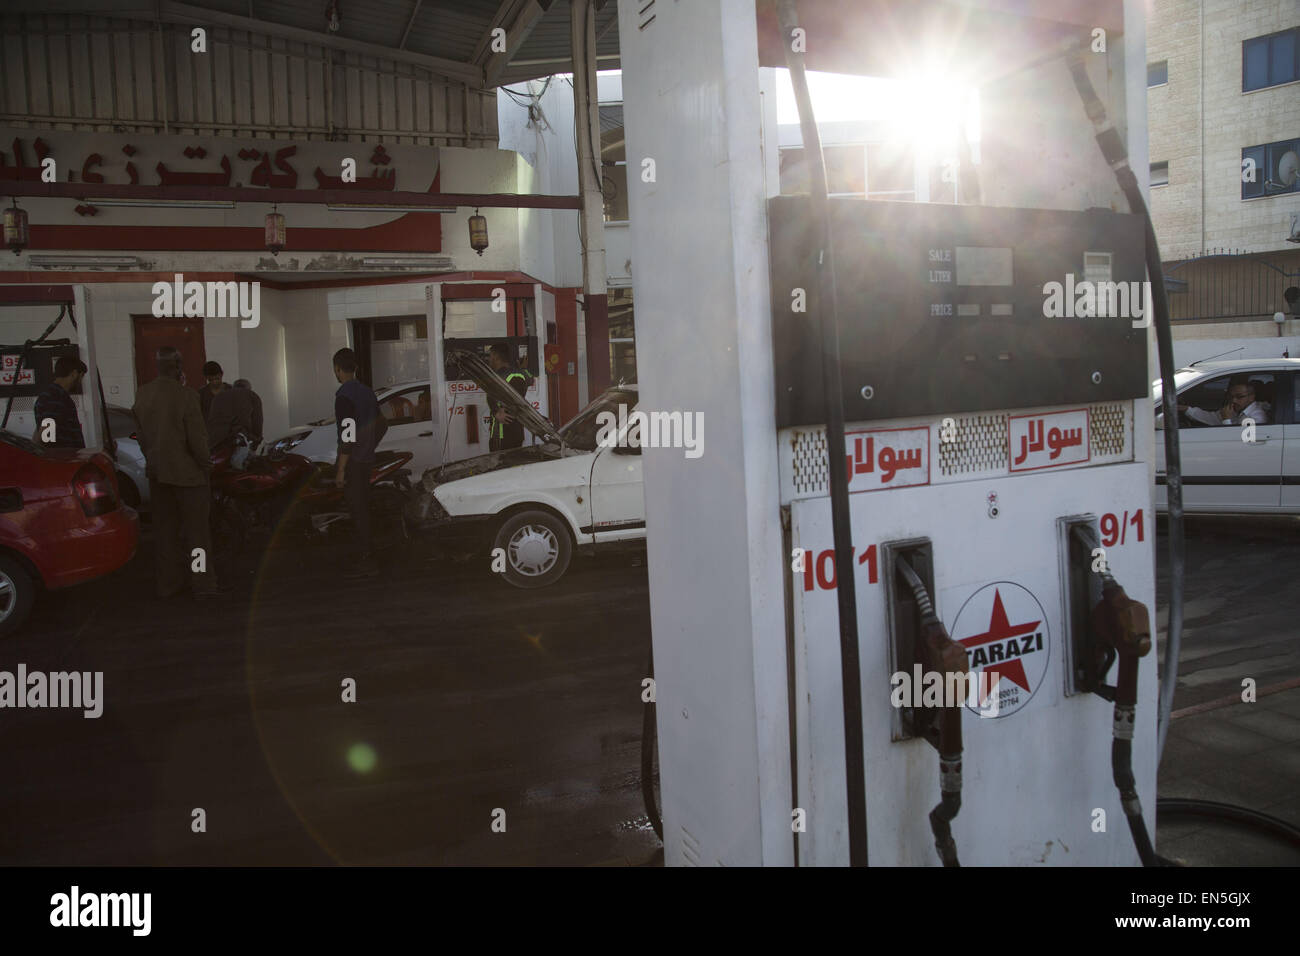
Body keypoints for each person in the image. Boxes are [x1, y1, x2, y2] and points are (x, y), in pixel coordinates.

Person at [132, 346, 223, 598]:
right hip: (189, 476)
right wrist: (206, 465)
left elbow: (140, 437)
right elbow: (197, 441)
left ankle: (169, 585)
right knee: (197, 535)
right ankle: (202, 584)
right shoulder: (187, 396)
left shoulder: (142, 394)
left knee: (165, 534)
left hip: (158, 474)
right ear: (178, 367)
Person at [332, 347, 382, 578]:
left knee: (358, 509)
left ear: (337, 369)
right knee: (364, 507)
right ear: (356, 368)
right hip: (367, 459)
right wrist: (370, 444)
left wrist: (340, 470)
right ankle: (368, 554)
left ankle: (367, 559)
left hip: (353, 461)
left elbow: (347, 437)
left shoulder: (344, 396)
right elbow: (383, 425)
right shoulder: (368, 393)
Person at [33, 356, 87, 448]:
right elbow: (45, 434)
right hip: (63, 459)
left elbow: (40, 429)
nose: (80, 382)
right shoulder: (56, 397)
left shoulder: (49, 395)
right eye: (81, 376)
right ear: (74, 374)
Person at [1179, 375, 1270, 426]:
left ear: (1251, 397)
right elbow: (1210, 417)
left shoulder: (1257, 417)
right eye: (1231, 396)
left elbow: (1236, 440)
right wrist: (1185, 409)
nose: (1234, 400)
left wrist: (1226, 419)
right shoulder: (1235, 410)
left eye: (1239, 397)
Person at [487, 343, 530, 451]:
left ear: (495, 357)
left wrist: (496, 412)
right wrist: (523, 368)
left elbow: (491, 397)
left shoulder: (496, 377)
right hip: (517, 431)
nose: (489, 359)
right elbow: (530, 380)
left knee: (500, 465)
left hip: (501, 433)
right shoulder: (521, 374)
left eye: (490, 356)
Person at [207, 377, 259, 451]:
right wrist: (256, 440)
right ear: (248, 389)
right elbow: (257, 421)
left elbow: (211, 419)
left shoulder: (218, 397)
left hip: (215, 441)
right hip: (238, 439)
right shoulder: (252, 396)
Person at [233, 379, 264, 446]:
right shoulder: (253, 398)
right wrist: (257, 439)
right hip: (246, 438)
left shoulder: (225, 399)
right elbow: (257, 421)